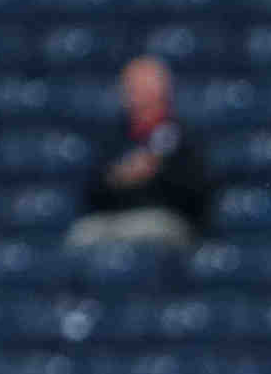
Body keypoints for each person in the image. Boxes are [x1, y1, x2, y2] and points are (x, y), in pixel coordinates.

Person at [69, 55, 213, 252]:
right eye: (133, 86)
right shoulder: (112, 137)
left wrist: (154, 172)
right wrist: (120, 177)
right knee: (83, 233)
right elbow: (91, 191)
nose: (140, 93)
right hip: (117, 218)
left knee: (150, 227)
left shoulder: (185, 136)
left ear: (164, 89)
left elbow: (197, 194)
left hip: (165, 219)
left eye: (146, 86)